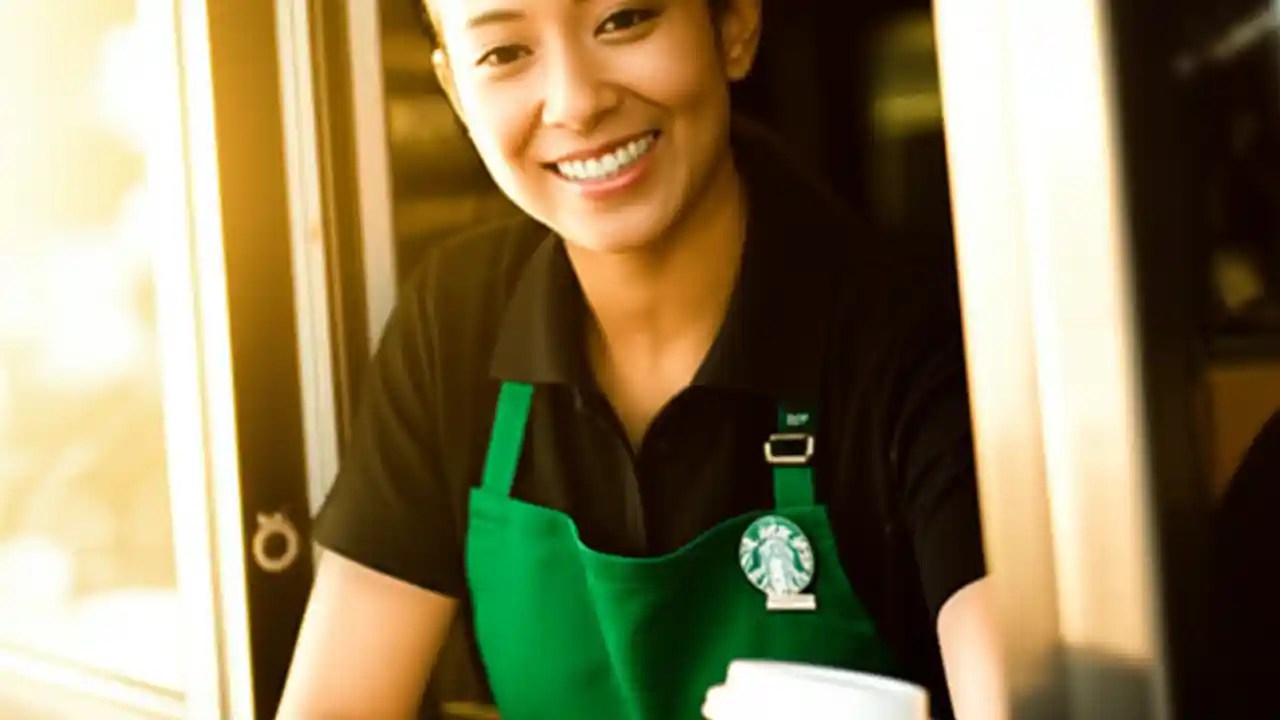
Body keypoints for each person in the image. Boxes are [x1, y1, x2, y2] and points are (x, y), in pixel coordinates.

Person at [279, 0, 1006, 717]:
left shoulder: (920, 343)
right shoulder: (455, 323)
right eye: (504, 53)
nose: (575, 103)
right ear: (456, 94)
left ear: (736, 26)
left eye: (623, 19)